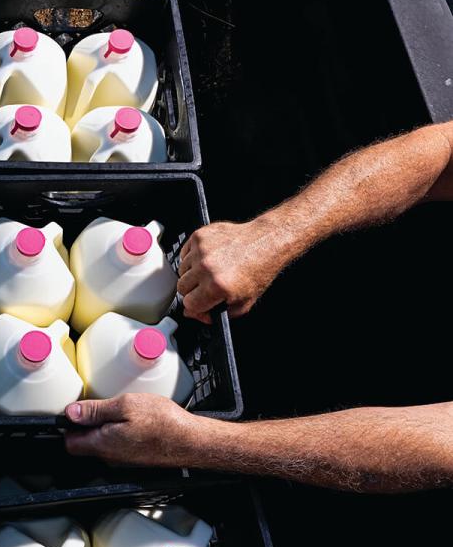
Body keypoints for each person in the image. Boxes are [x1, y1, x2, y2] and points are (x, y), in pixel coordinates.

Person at [64, 120, 453, 493]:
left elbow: (441, 441)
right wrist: (272, 237)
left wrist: (196, 442)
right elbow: (444, 150)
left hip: (358, 454)